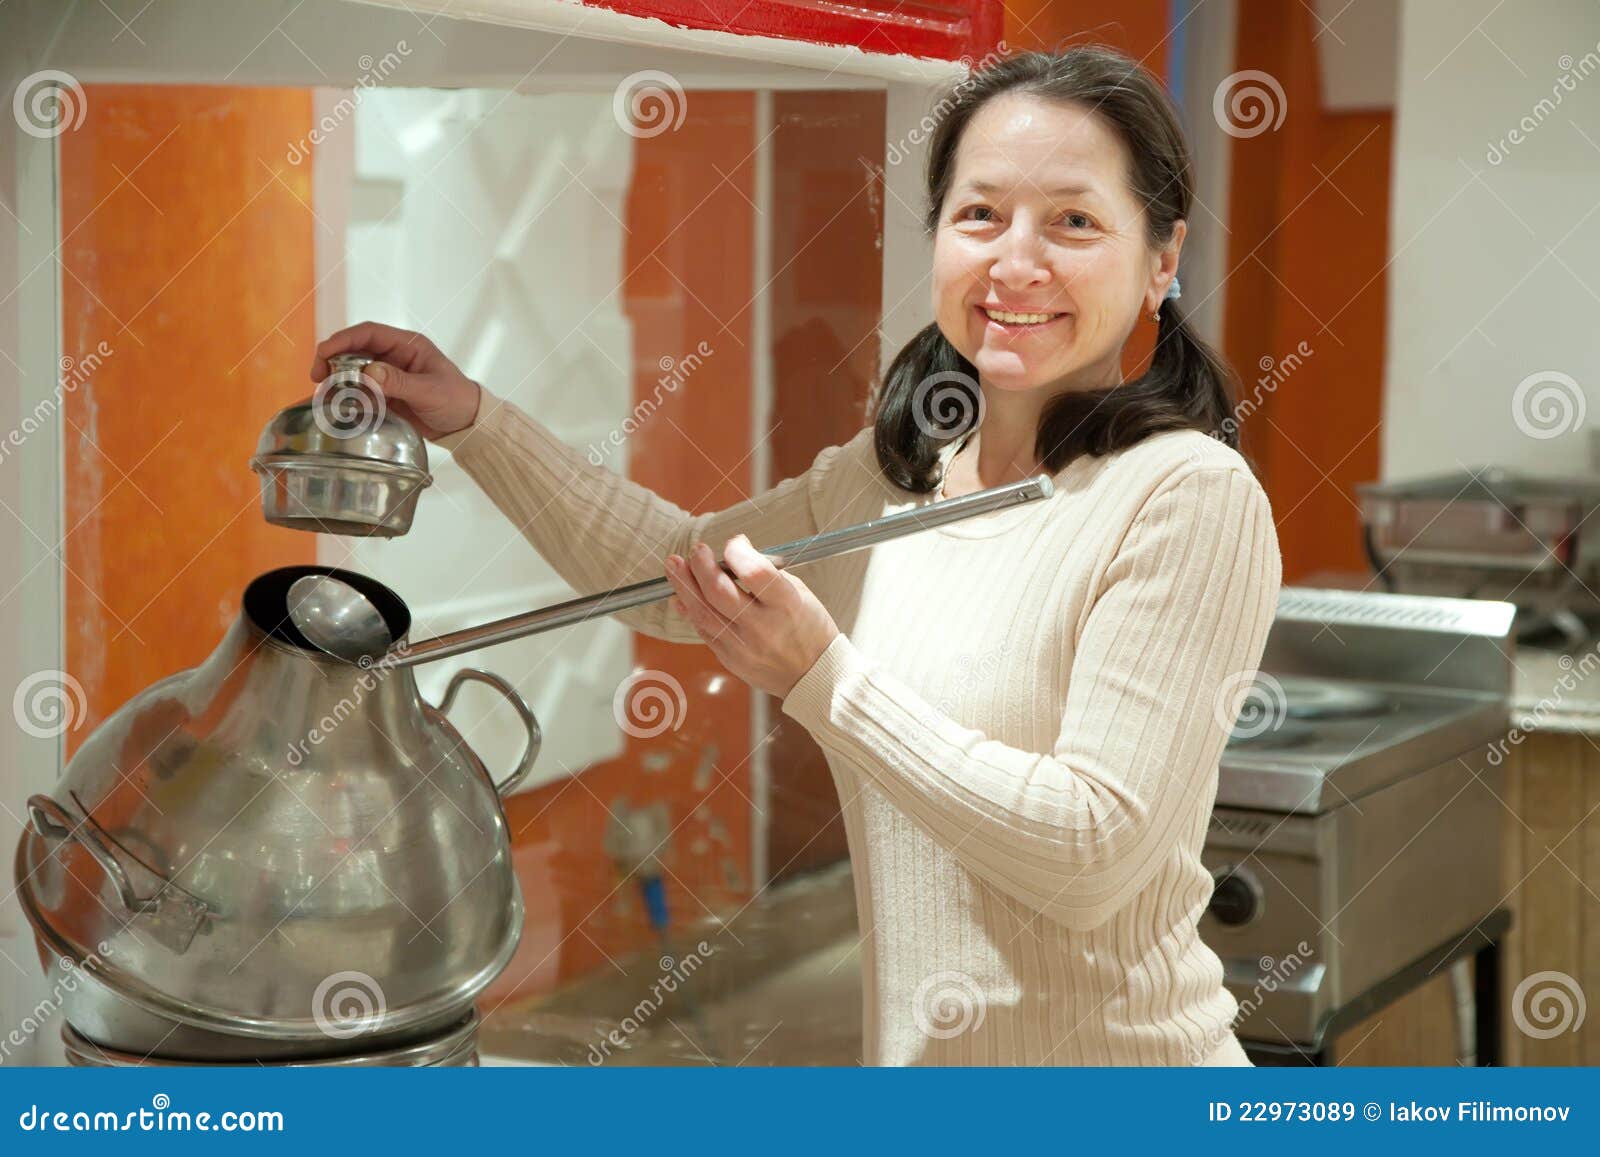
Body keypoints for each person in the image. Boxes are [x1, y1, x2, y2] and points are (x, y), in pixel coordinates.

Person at [311, 45, 1281, 1067]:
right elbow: (677, 573)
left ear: (1161, 258)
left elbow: (1090, 854)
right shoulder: (898, 473)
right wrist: (474, 419)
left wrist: (823, 677)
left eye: (1074, 221)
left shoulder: (1185, 495)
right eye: (981, 213)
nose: (1015, 262)